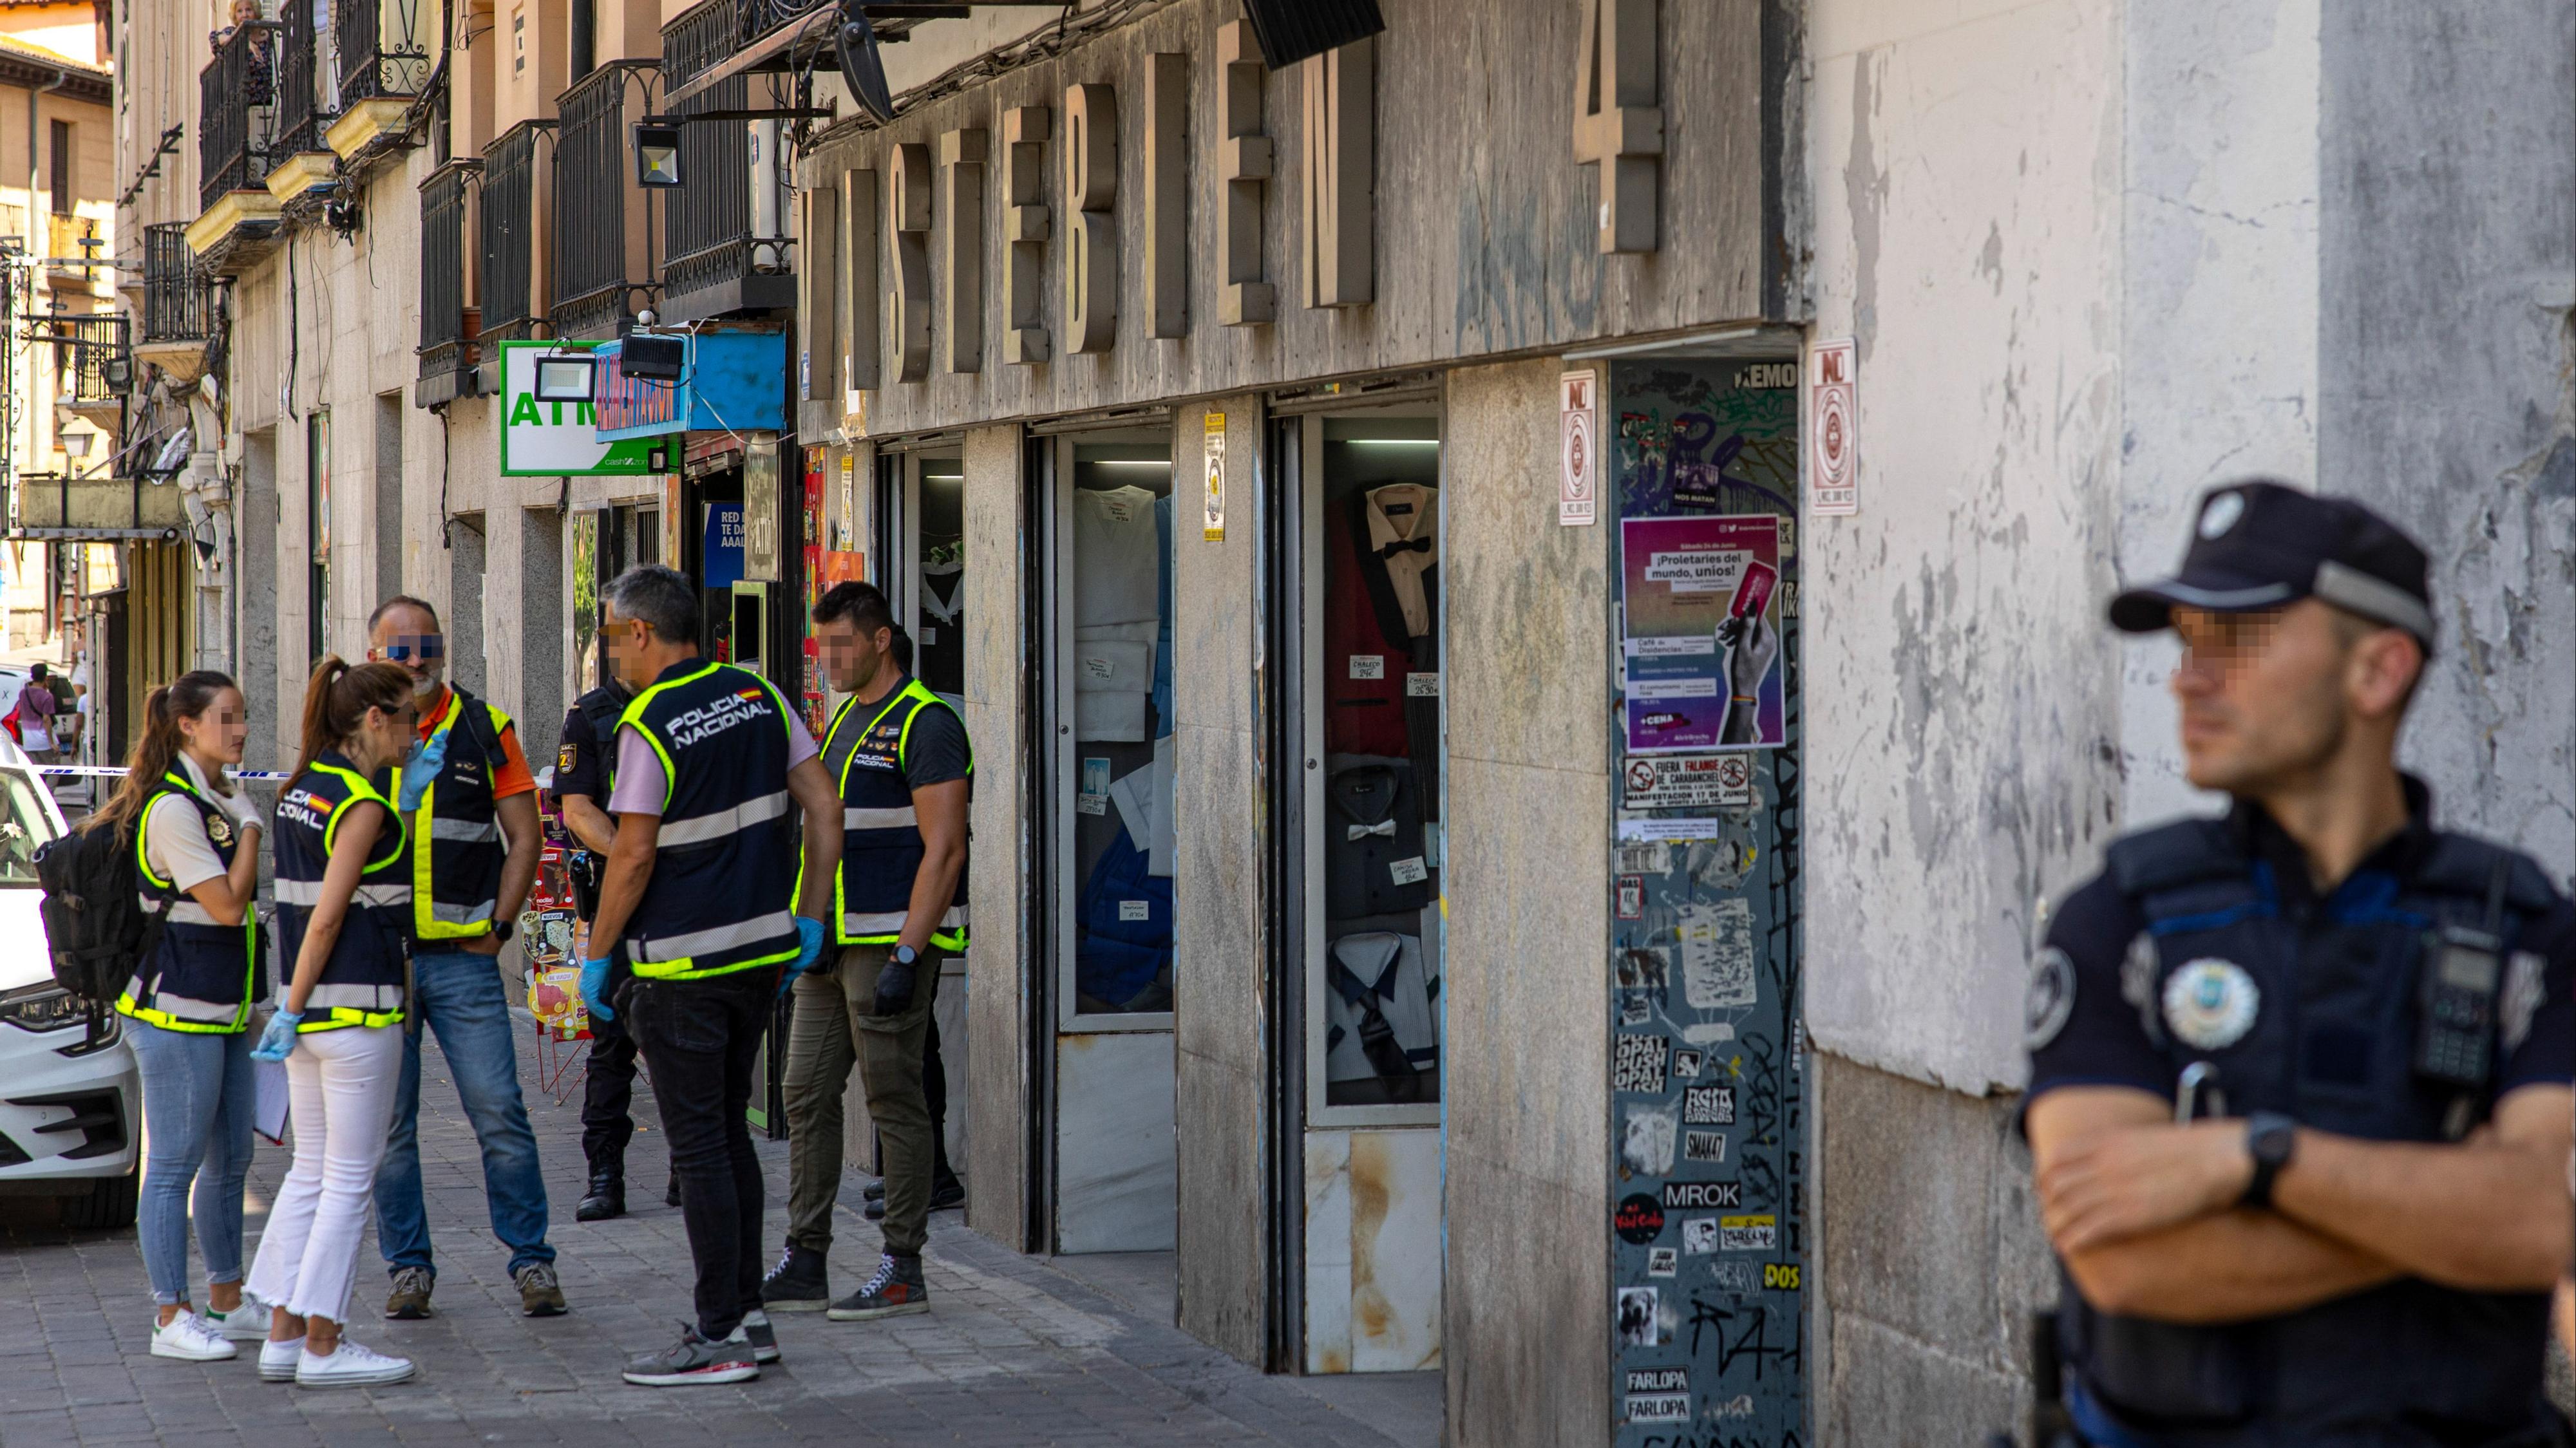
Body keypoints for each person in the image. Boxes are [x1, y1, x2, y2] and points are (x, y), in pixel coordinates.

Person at [2022, 480, 2575, 1447]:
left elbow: (2537, 1227)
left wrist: (2250, 1157)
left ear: (2377, 672)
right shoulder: (2120, 924)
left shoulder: (2526, 933)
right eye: (2187, 642)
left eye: (2237, 639)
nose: (2189, 678)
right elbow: (2122, 1259)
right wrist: (2446, 1212)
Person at [578, 565, 837, 1385]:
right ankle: (749, 1316)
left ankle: (718, 1332)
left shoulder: (645, 720)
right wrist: (813, 911)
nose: (610, 650)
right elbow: (824, 807)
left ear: (644, 632)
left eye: (614, 634)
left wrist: (596, 954)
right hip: (761, 958)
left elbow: (632, 850)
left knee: (700, 1148)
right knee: (730, 1134)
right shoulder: (760, 695)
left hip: (681, 967)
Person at [761, 588, 968, 1319]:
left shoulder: (927, 722)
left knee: (893, 1101)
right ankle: (805, 1255)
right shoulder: (848, 717)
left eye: (842, 645)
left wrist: (909, 955)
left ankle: (903, 1263)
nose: (830, 660)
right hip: (832, 947)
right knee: (804, 1093)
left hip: (886, 948)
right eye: (822, 647)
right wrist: (807, 926)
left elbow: (944, 850)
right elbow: (827, 832)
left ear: (882, 639)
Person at [363, 596, 565, 1321]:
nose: (415, 659)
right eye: (400, 647)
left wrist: (501, 927)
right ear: (371, 652)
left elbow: (527, 835)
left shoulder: (483, 727)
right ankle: (408, 1268)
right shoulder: (350, 729)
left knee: (500, 1114)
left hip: (462, 961)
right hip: (379, 965)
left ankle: (532, 1262)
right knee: (391, 1129)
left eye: (427, 645)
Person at [243, 658, 423, 1388]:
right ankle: (325, 1340)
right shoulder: (358, 801)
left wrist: (290, 1008)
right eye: (408, 718)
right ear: (373, 719)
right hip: (354, 1008)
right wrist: (290, 1005)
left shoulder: (300, 791)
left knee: (311, 1173)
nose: (416, 733)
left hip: (310, 1015)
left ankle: (283, 1331)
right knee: (350, 1178)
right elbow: (328, 917)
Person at [82, 672, 272, 1362]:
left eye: (242, 716)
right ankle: (171, 1313)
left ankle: (226, 1297)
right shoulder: (175, 807)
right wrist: (251, 828)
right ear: (188, 724)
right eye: (226, 717)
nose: (241, 728)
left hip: (223, 1009)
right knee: (174, 1166)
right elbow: (226, 904)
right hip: (174, 1012)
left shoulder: (212, 793)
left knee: (233, 1160)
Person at [551, 672, 671, 1221]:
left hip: (681, 898)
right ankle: (605, 1173)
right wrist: (633, 853)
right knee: (612, 1045)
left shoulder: (681, 705)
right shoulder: (593, 714)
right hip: (618, 900)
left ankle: (688, 1168)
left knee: (683, 1040)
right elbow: (575, 809)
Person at [18, 662, 61, 761]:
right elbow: (46, 719)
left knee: (37, 774)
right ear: (45, 677)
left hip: (29, 742)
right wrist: (51, 743)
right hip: (43, 742)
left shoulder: (23, 693)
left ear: (32, 676)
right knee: (54, 772)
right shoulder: (47, 696)